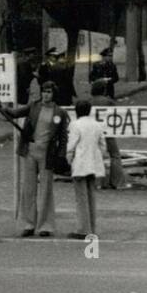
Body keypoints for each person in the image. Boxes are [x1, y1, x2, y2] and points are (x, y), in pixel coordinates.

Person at [6, 81, 67, 237]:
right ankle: (29, 223)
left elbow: (63, 137)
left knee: (46, 189)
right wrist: (0, 107)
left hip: (47, 154)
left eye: (49, 92)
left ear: (54, 94)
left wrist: (61, 155)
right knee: (29, 188)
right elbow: (15, 113)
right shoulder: (34, 106)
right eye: (44, 91)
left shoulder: (59, 112)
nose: (46, 94)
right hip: (31, 151)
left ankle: (45, 225)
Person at [67, 99, 109, 238]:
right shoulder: (97, 125)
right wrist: (98, 157)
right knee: (91, 196)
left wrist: (69, 159)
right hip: (93, 163)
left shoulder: (75, 125)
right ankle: (92, 226)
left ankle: (83, 229)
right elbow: (103, 145)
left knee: (81, 198)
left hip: (80, 163)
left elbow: (71, 145)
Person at [89, 80, 127, 189]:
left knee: (95, 155)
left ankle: (97, 182)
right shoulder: (109, 102)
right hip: (107, 131)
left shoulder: (89, 101)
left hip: (93, 132)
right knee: (114, 155)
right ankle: (117, 182)